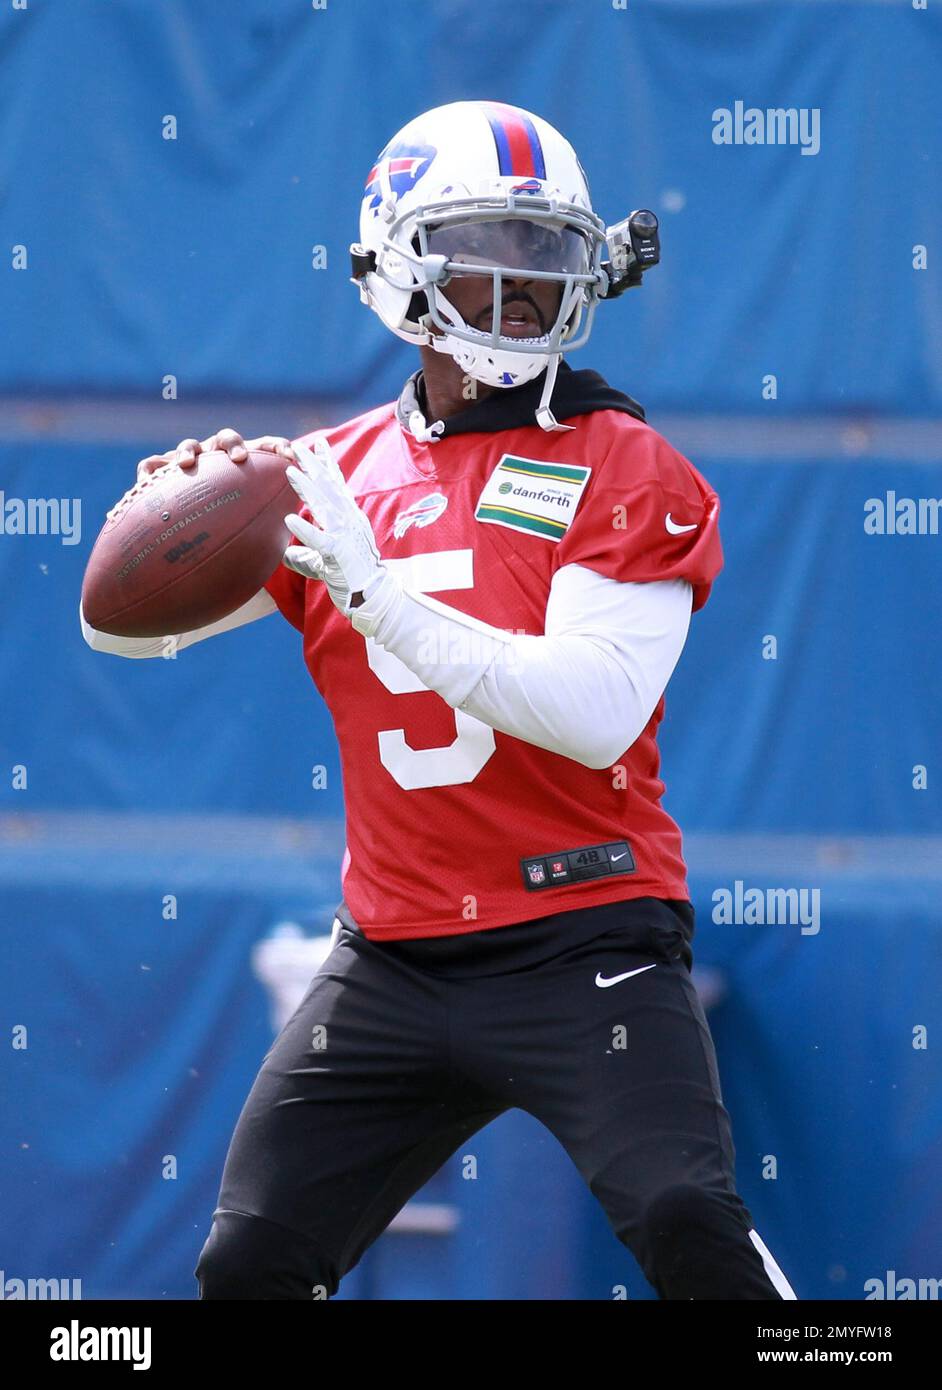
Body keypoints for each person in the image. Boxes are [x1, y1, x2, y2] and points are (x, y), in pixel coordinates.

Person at [81, 100, 796, 1301]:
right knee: (248, 1259)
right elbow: (119, 629)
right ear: (398, 270)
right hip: (394, 962)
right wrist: (172, 522)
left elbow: (595, 709)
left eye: (544, 257)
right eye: (486, 257)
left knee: (686, 1217)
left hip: (587, 943)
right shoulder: (325, 474)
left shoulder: (627, 464)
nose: (519, 294)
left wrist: (381, 598)